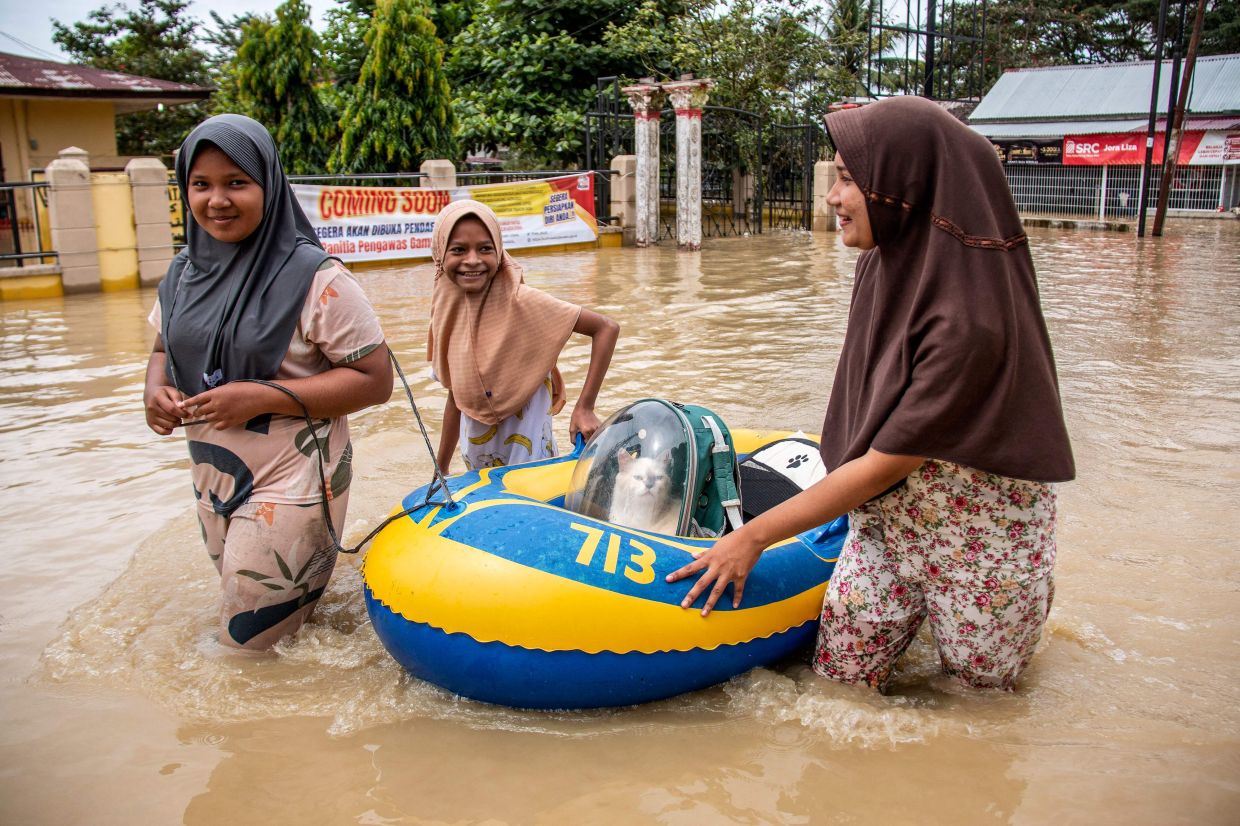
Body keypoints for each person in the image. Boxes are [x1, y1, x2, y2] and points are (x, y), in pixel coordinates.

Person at [668, 96, 1075, 691]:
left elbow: (890, 460)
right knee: (838, 683)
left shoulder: (968, 319)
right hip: (885, 524)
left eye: (847, 179)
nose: (832, 198)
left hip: (980, 541)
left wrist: (751, 537)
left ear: (902, 185)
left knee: (980, 707)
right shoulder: (881, 264)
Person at [143, 114, 393, 651]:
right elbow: (163, 349)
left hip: (295, 480)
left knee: (243, 651)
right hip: (214, 479)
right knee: (274, 640)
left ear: (269, 185)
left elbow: (376, 381)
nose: (217, 200)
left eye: (237, 182)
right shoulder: (182, 275)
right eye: (201, 184)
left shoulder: (318, 278)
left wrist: (264, 397)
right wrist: (154, 392)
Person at [428, 199, 619, 474]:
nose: (472, 260)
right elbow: (456, 397)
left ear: (499, 250)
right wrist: (441, 468)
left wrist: (585, 407)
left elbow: (606, 328)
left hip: (533, 463)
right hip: (479, 462)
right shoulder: (447, 312)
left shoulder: (522, 302)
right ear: (440, 253)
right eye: (458, 249)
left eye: (485, 248)